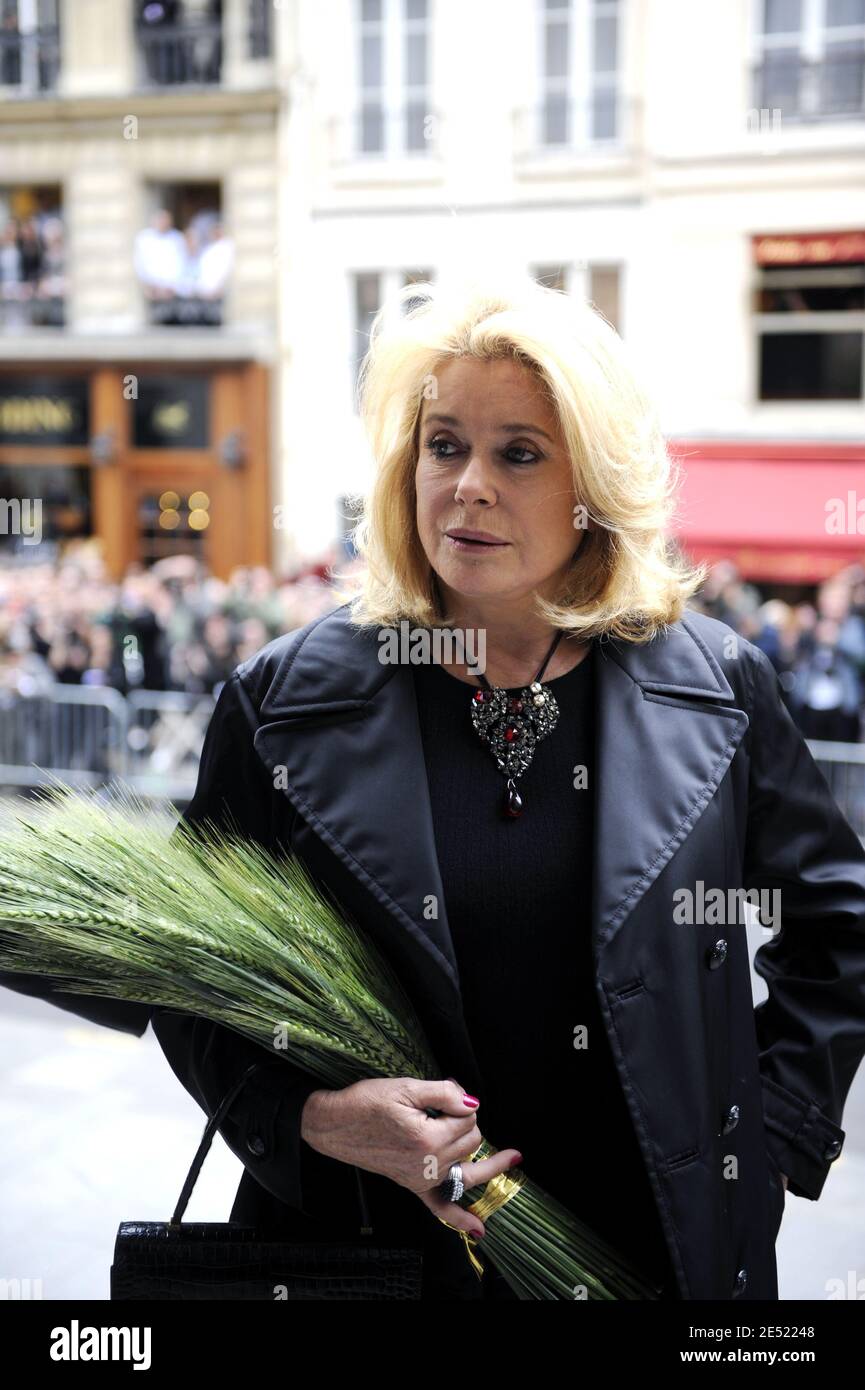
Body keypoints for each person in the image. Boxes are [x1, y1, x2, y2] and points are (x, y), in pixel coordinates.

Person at [150, 274, 865, 1301]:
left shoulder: (716, 687)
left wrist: (771, 1138)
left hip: (651, 1249)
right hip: (368, 1254)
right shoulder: (282, 702)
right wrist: (310, 1120)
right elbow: (184, 970)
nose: (468, 483)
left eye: (517, 453)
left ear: (596, 486)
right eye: (445, 444)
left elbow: (836, 920)